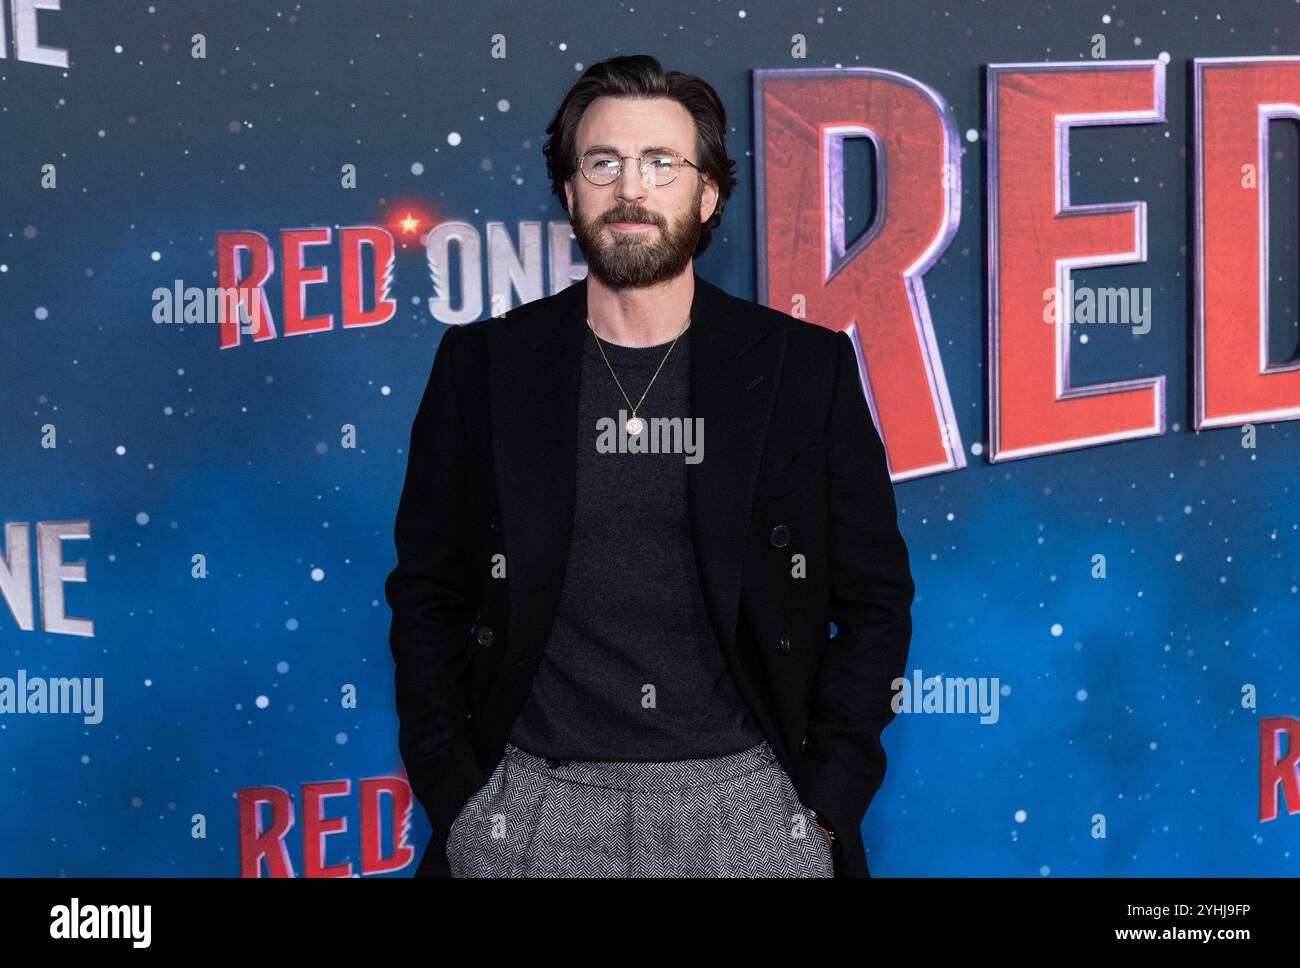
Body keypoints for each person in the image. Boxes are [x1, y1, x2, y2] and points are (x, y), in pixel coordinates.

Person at [384, 53, 914, 878]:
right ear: (570, 191)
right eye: (604, 162)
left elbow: (876, 597)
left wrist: (821, 810)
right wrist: (460, 801)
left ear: (706, 196)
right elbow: (427, 590)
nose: (631, 188)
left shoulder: (802, 369)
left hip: (749, 810)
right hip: (532, 808)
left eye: (661, 163)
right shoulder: (483, 366)